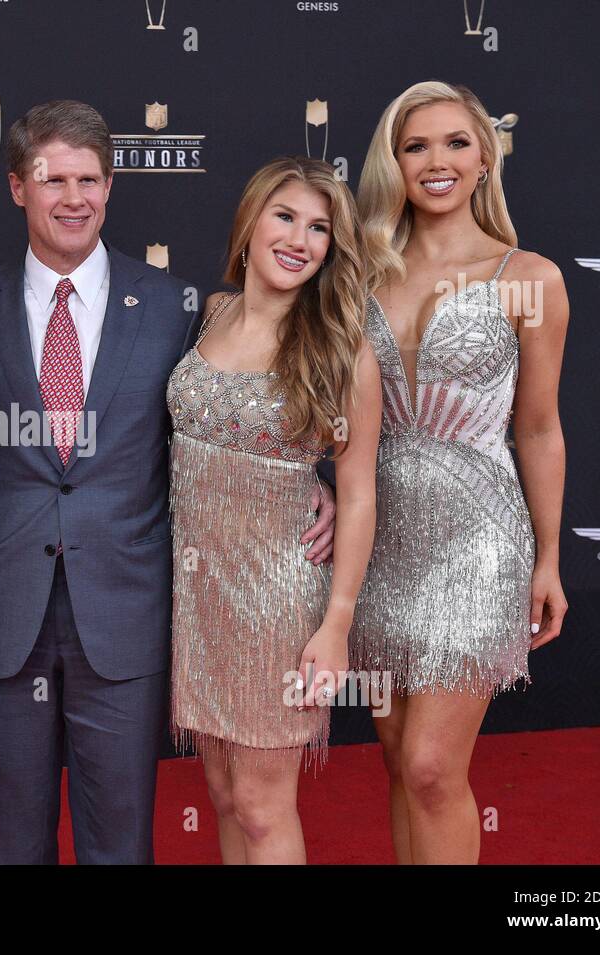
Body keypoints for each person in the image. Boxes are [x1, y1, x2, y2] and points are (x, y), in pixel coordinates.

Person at [0, 101, 338, 864]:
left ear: (111, 184)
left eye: (88, 178)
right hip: (4, 610)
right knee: (11, 837)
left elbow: (225, 416)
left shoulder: (175, 308)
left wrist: (310, 480)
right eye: (51, 178)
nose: (72, 197)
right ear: (17, 186)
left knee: (121, 837)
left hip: (126, 611)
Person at [350, 81, 569, 864]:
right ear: (393, 161)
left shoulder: (529, 277)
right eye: (415, 146)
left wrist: (548, 557)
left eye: (454, 143)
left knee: (432, 766)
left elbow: (539, 427)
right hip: (376, 542)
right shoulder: (358, 273)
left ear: (485, 157)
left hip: (479, 540)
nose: (435, 161)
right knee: (397, 760)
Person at [169, 156, 381, 864]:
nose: (300, 239)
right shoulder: (210, 314)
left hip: (277, 602)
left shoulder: (343, 351)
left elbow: (356, 492)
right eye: (286, 217)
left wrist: (337, 623)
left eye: (319, 228)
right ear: (251, 222)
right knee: (226, 796)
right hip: (197, 596)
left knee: (263, 806)